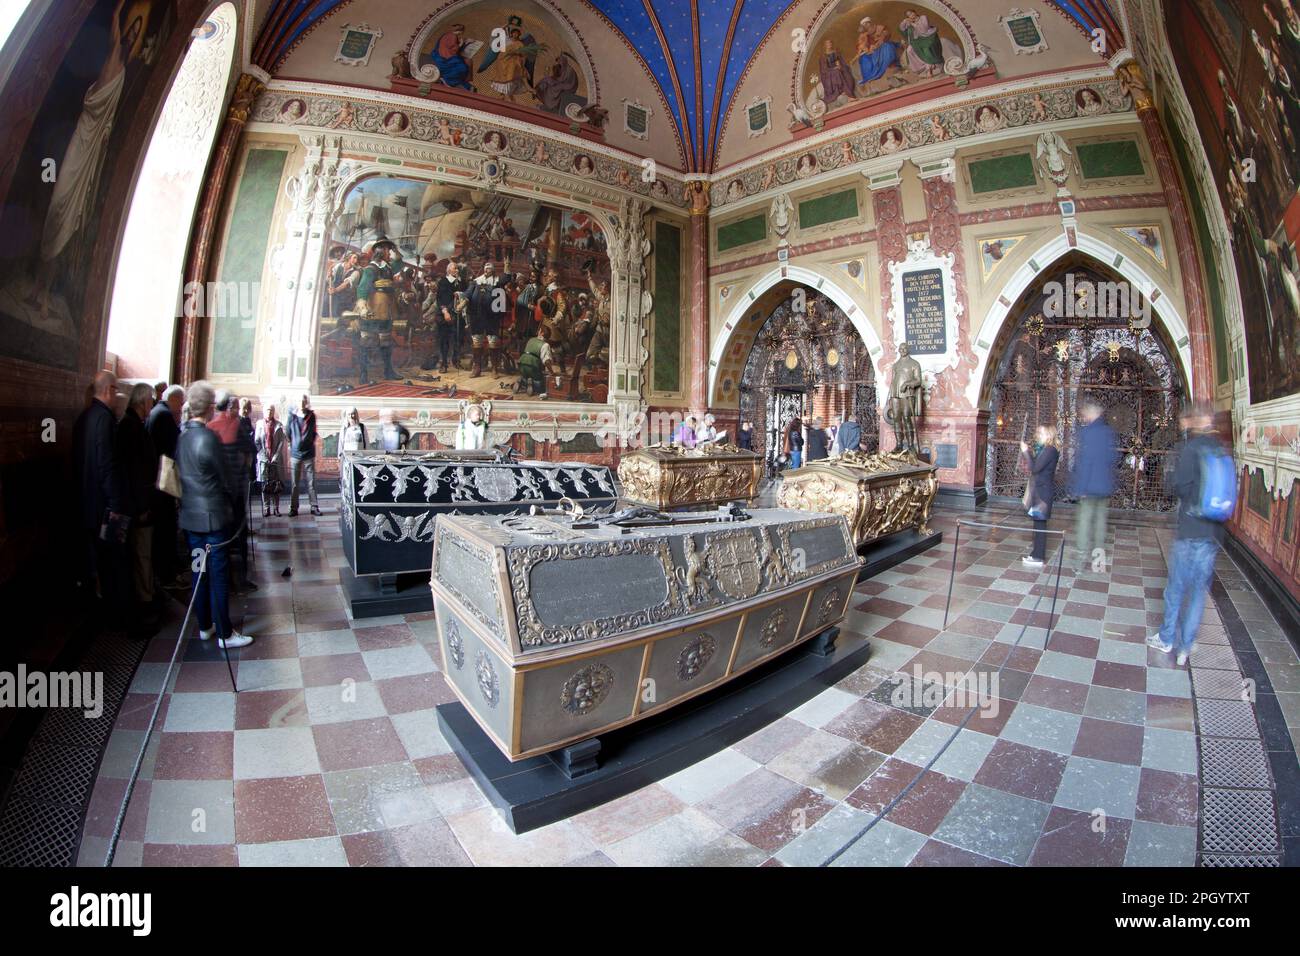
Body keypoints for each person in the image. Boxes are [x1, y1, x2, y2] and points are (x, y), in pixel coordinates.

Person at [1147, 402, 1233, 666]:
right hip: (1212, 532)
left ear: (1194, 422)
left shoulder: (1191, 448)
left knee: (1175, 587)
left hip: (1190, 529)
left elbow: (1179, 486)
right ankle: (1186, 647)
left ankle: (1166, 638)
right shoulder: (1222, 450)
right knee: (1197, 592)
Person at [176, 381, 253, 650]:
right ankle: (224, 633)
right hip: (212, 519)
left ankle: (205, 625)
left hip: (190, 519)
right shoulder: (208, 437)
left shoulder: (183, 435)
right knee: (219, 574)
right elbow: (225, 479)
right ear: (209, 407)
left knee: (199, 572)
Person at [72, 370, 128, 626]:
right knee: (111, 563)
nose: (117, 396)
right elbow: (107, 465)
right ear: (108, 390)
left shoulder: (84, 416)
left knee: (95, 561)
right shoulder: (104, 419)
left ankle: (98, 610)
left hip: (85, 502)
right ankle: (114, 615)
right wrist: (116, 504)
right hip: (104, 505)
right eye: (115, 390)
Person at [116, 383, 159, 631]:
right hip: (137, 507)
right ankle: (143, 606)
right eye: (151, 400)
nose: (152, 405)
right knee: (140, 555)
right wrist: (142, 506)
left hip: (139, 503)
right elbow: (133, 471)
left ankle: (146, 599)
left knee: (143, 555)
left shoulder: (133, 425)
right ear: (143, 402)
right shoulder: (131, 427)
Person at [209, 392, 256, 592]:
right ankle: (240, 579)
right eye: (235, 406)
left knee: (222, 538)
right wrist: (244, 471)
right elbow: (249, 451)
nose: (237, 410)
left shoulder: (209, 426)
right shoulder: (235, 425)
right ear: (227, 408)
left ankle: (224, 580)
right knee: (238, 534)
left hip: (217, 493)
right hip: (234, 491)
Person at [1072, 400, 1118, 572]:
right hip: (1105, 485)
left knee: (1084, 523)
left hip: (1089, 486)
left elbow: (1086, 462)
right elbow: (1114, 459)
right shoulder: (1108, 432)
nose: (1083, 417)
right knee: (1100, 523)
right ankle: (1098, 562)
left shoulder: (1087, 433)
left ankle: (1080, 561)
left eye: (1085, 414)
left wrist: (1081, 488)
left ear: (1091, 414)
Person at [147, 384, 186, 590]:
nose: (181, 408)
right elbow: (174, 447)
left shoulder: (158, 412)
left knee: (166, 526)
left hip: (160, 479)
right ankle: (167, 574)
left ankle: (168, 570)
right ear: (173, 399)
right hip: (163, 480)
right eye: (180, 404)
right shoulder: (163, 415)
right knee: (165, 527)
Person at [1020, 424, 1060, 568]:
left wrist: (1025, 452)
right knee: (1037, 524)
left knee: (1040, 525)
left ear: (1049, 435)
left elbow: (1035, 468)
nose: (1038, 435)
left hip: (1042, 494)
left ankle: (1038, 557)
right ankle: (1036, 552)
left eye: (1041, 433)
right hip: (1040, 492)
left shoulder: (1050, 450)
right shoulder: (1046, 449)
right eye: (1038, 432)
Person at [288, 394, 320, 516]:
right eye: (299, 401)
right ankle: (293, 508)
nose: (301, 403)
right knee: (294, 483)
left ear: (306, 402)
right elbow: (288, 432)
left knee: (311, 482)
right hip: (295, 454)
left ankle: (314, 506)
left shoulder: (311, 416)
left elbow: (314, 432)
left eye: (303, 401)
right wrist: (295, 444)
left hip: (308, 454)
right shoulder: (292, 416)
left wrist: (308, 443)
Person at [256, 405, 287, 517]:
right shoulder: (259, 424)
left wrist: (275, 457)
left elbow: (281, 442)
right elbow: (257, 442)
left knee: (276, 484)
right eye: (267, 410)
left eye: (271, 410)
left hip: (275, 459)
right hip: (264, 459)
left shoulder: (278, 425)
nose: (269, 413)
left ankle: (276, 508)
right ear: (264, 411)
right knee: (265, 484)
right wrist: (263, 457)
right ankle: (266, 508)